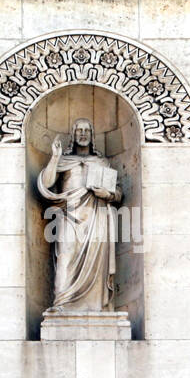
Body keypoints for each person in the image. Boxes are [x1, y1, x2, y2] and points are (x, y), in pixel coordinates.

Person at [37, 117, 122, 311]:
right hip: (70, 214)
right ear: (73, 136)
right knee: (66, 257)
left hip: (96, 215)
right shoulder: (64, 160)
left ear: (92, 136)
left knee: (95, 264)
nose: (83, 134)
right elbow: (47, 182)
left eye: (87, 131)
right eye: (79, 131)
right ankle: (62, 303)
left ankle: (96, 307)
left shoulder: (102, 162)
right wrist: (55, 157)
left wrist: (107, 194)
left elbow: (118, 193)